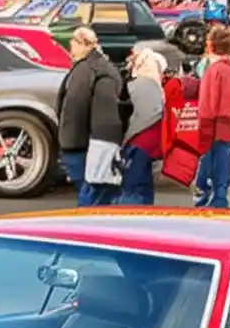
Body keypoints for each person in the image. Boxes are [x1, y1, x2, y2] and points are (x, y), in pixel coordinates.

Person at [55, 26, 125, 206]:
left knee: (91, 191)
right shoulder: (101, 68)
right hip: (92, 141)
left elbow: (75, 107)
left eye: (73, 41)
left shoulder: (87, 70)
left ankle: (85, 229)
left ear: (83, 44)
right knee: (99, 191)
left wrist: (68, 140)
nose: (70, 44)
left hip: (83, 143)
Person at [194, 27, 230, 208]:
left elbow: (210, 101)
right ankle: (219, 197)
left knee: (211, 164)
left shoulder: (215, 70)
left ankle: (209, 198)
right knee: (223, 163)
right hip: (226, 125)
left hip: (213, 125)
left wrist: (203, 121)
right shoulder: (227, 68)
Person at [119, 46, 166, 205]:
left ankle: (131, 219)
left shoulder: (141, 84)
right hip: (151, 143)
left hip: (139, 143)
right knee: (145, 184)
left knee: (132, 186)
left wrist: (125, 141)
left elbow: (141, 117)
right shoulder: (156, 86)